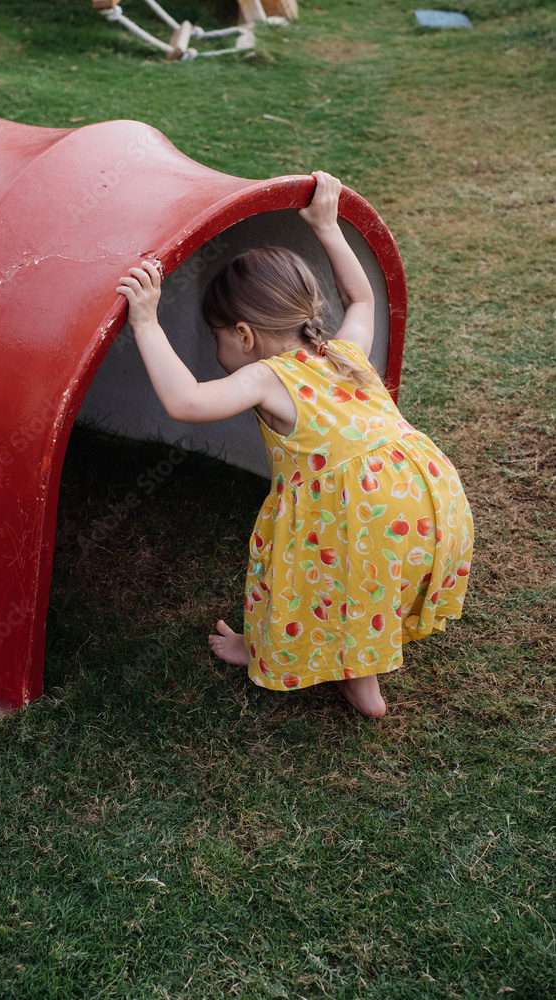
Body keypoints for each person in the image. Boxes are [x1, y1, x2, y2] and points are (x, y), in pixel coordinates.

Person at [116, 171, 473, 718]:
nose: (216, 349)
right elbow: (360, 298)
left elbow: (186, 402)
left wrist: (145, 321)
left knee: (302, 567)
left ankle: (282, 653)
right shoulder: (342, 352)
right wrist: (328, 228)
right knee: (370, 582)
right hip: (428, 494)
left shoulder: (268, 377)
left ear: (243, 335)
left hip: (361, 507)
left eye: (216, 337)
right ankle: (365, 680)